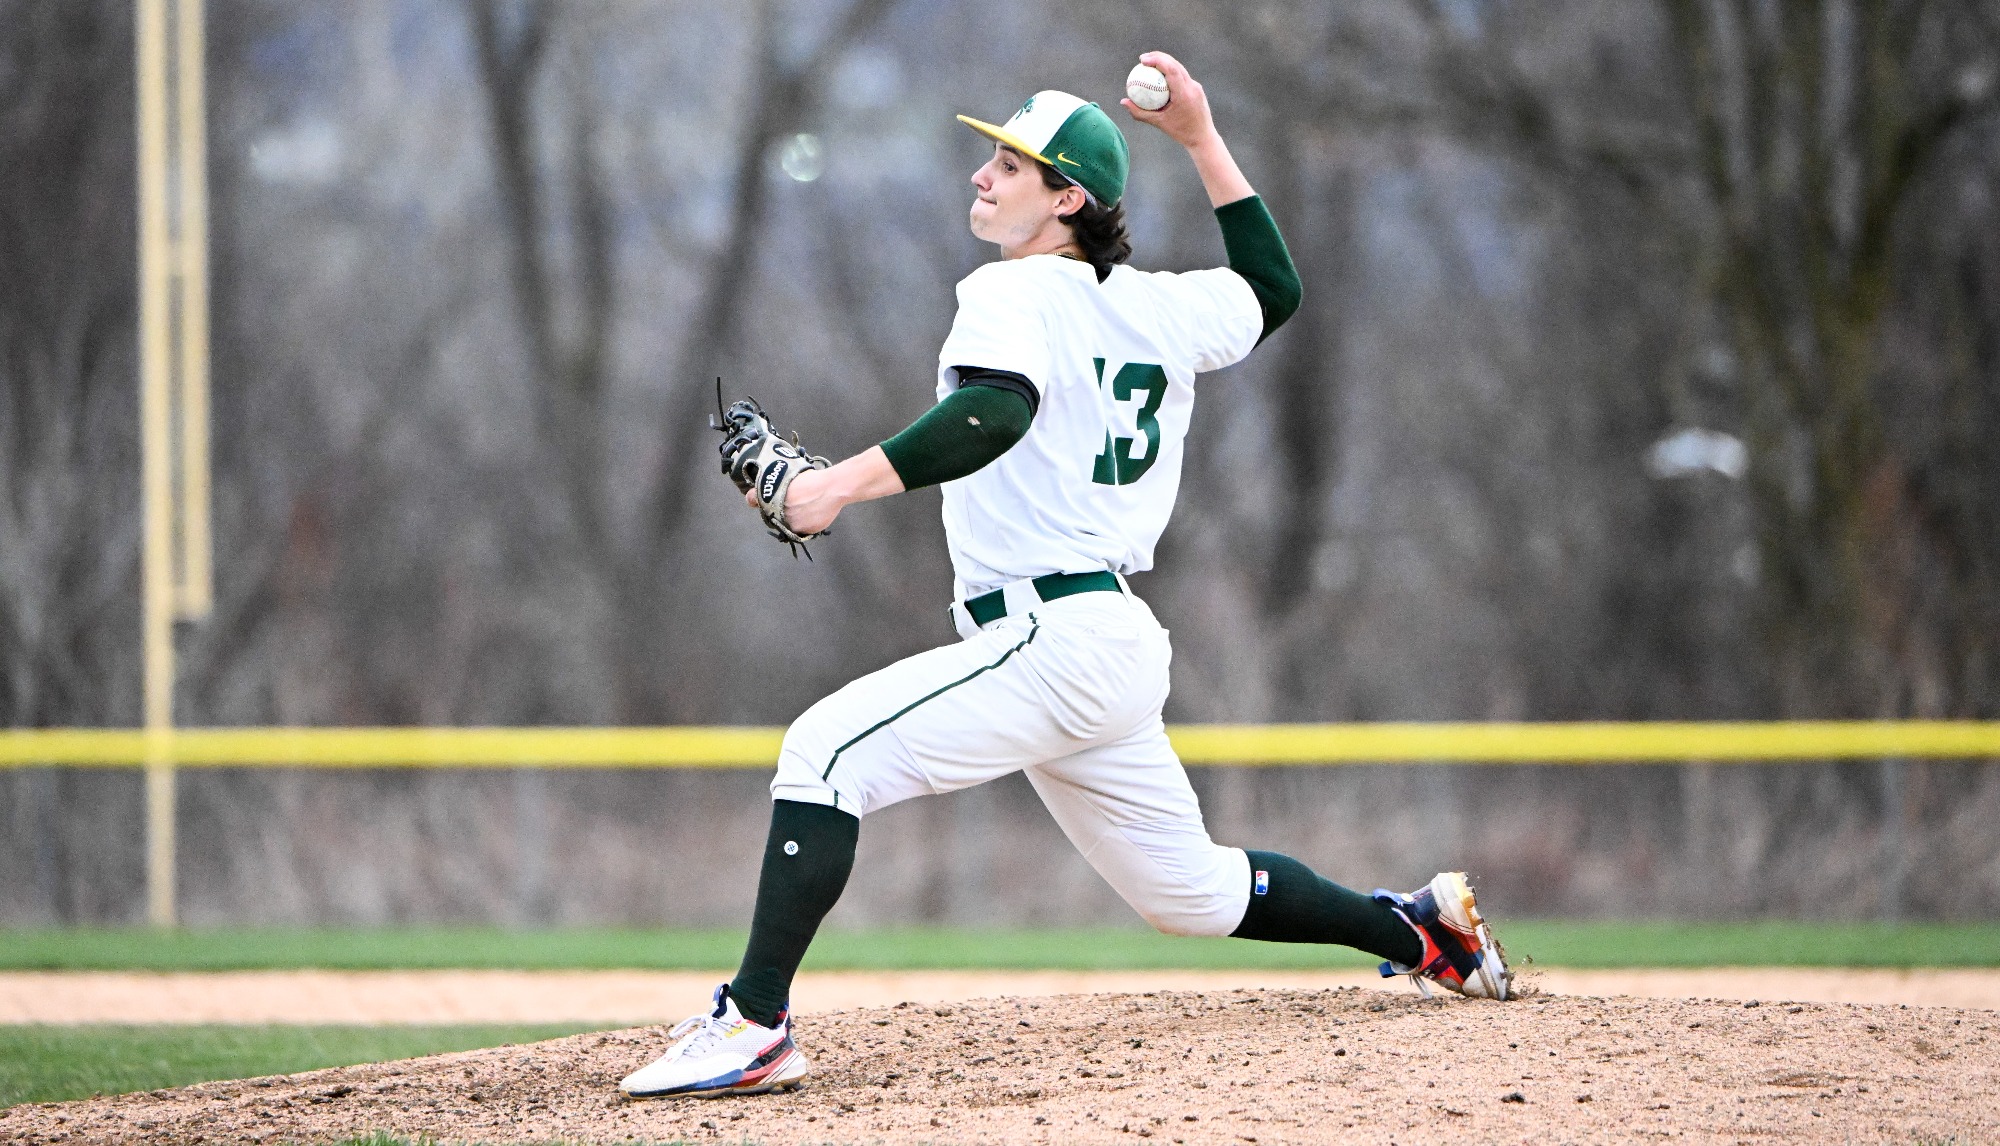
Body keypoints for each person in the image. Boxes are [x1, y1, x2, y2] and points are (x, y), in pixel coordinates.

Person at [618, 50, 1513, 1101]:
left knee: (822, 753)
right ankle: (1422, 934)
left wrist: (830, 488)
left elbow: (994, 412)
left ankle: (753, 1022)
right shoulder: (1157, 307)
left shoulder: (1009, 292)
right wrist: (1199, 137)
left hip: (1048, 638)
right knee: (1187, 893)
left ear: (1067, 199)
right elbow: (1272, 289)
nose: (982, 177)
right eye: (989, 158)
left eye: (1010, 165)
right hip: (1107, 644)